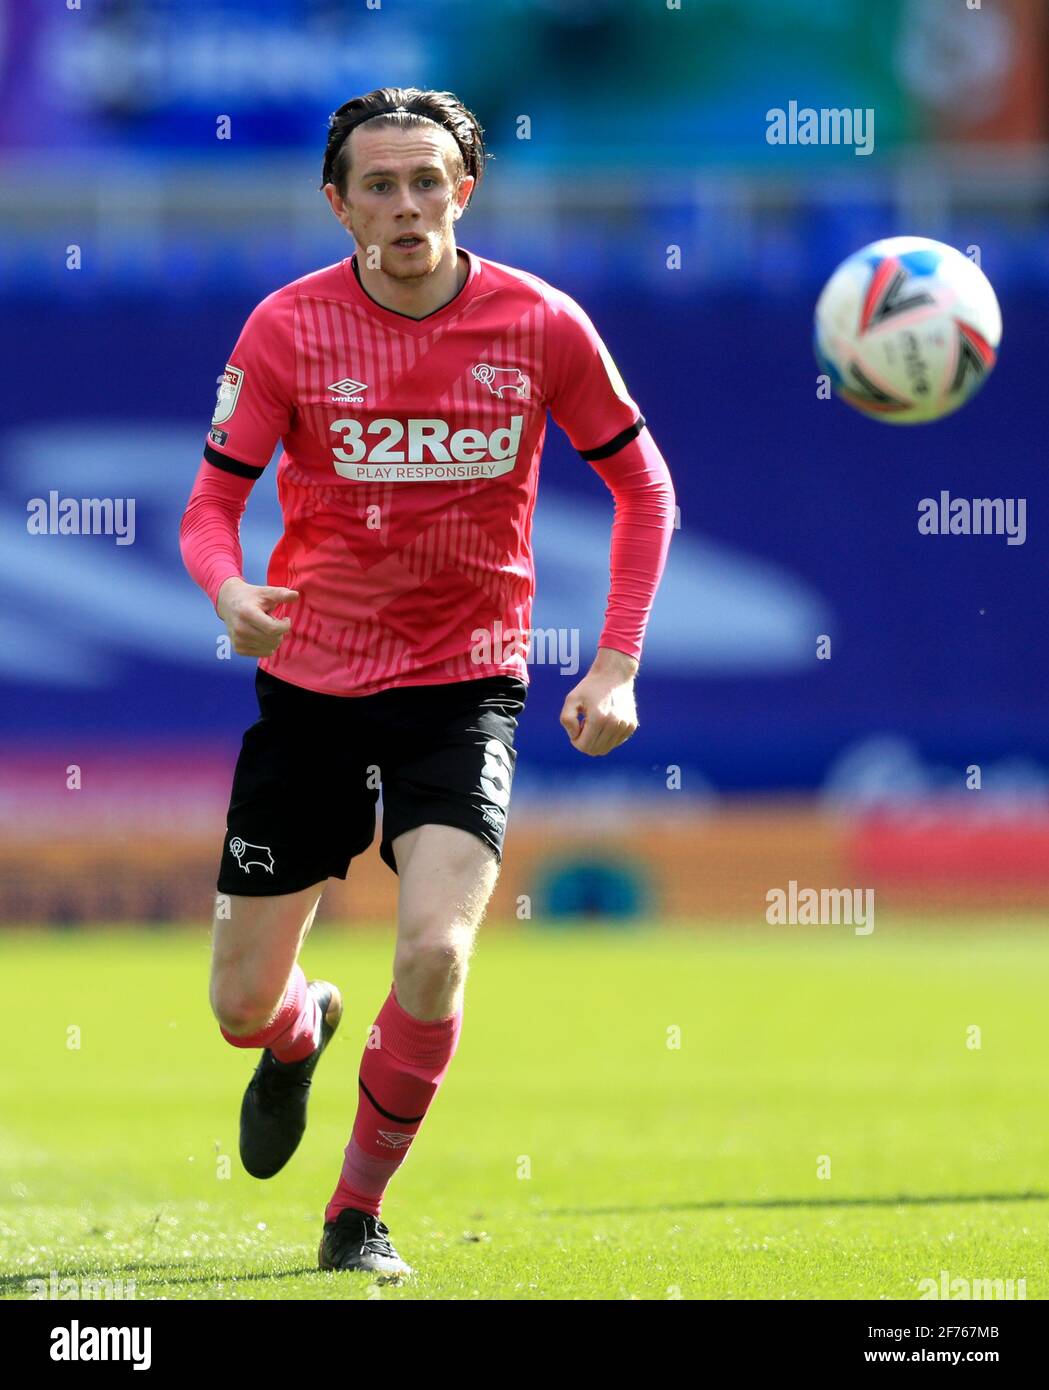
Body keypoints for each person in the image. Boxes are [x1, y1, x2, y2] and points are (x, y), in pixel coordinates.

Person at [179, 85, 676, 1278]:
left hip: (462, 685)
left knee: (436, 954)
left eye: (426, 182)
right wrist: (229, 592)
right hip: (308, 684)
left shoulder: (543, 325)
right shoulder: (286, 330)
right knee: (239, 1005)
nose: (405, 207)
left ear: (464, 189)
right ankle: (300, 1034)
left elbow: (643, 490)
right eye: (379, 186)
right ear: (337, 201)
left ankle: (356, 1213)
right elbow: (210, 506)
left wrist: (615, 660)